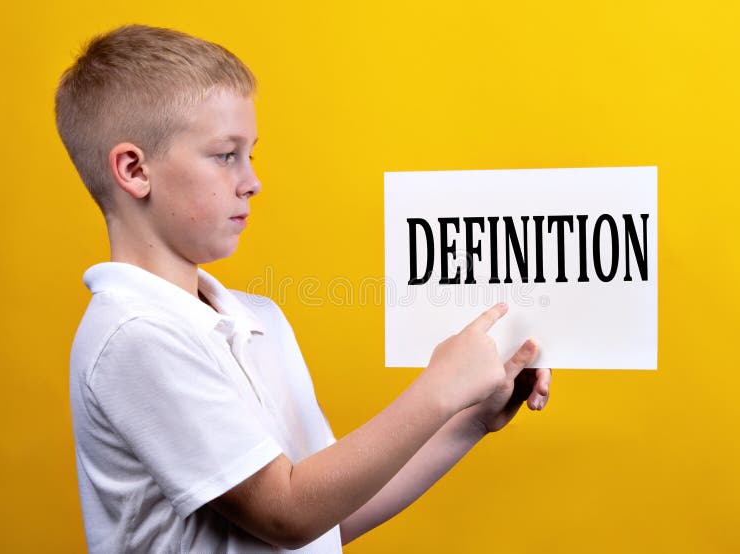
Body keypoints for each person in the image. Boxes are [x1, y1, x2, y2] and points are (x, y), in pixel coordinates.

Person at [57, 24, 552, 553]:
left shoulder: (258, 319)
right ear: (134, 169)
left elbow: (329, 513)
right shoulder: (134, 335)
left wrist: (472, 419)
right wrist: (440, 389)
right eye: (225, 155)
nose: (252, 181)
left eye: (250, 154)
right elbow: (286, 512)